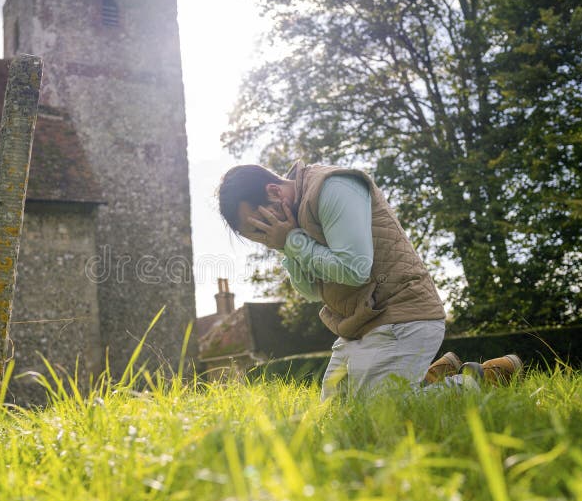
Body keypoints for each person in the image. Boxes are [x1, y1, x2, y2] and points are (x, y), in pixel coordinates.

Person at [216, 161, 521, 399]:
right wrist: (287, 245)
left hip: (402, 315)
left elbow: (354, 269)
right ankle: (431, 378)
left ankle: (486, 377)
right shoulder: (293, 221)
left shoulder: (333, 187)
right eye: (255, 235)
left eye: (259, 227)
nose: (264, 238)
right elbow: (310, 291)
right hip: (361, 325)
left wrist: (293, 241)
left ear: (273, 192)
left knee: (383, 412)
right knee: (337, 416)